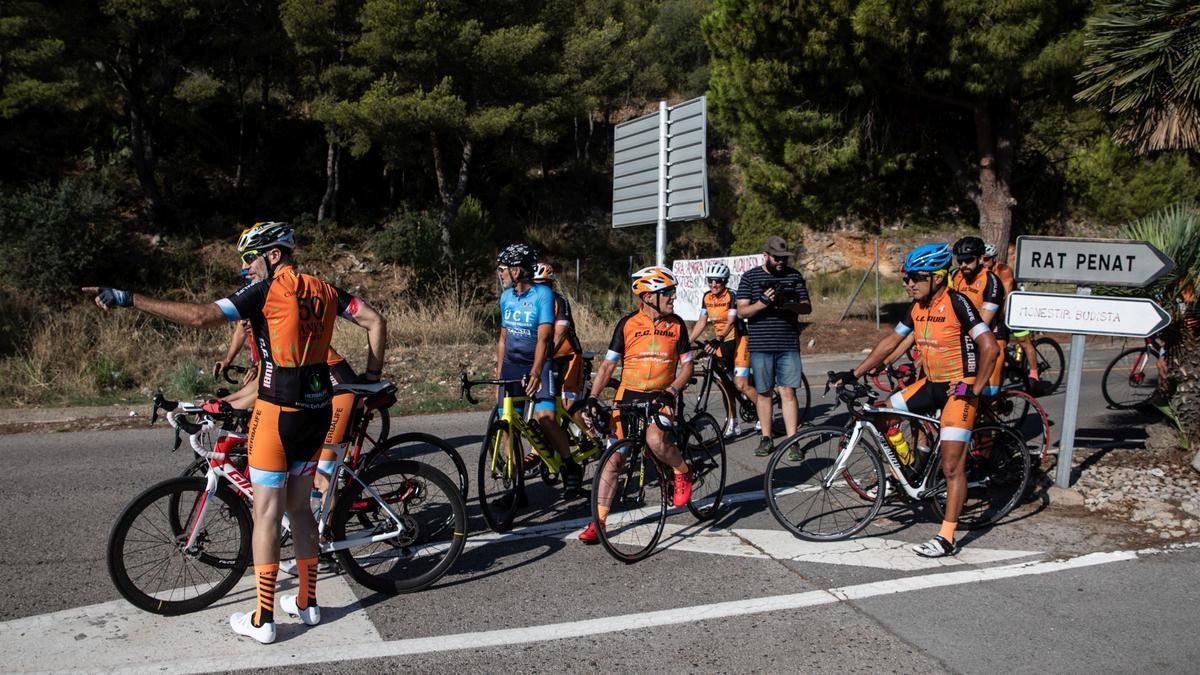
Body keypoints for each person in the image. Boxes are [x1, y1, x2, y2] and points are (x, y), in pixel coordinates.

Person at [84, 221, 387, 644]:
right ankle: (307, 602)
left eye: (249, 258)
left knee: (265, 513)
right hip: (316, 410)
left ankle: (264, 619)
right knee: (300, 509)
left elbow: (200, 316)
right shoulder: (325, 289)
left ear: (274, 254)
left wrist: (128, 298)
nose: (245, 267)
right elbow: (374, 320)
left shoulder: (266, 291)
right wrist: (371, 379)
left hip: (278, 412)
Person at [830, 244, 999, 558]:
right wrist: (854, 373)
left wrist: (973, 388)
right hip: (930, 384)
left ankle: (946, 537)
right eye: (906, 278)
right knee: (880, 414)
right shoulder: (917, 307)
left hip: (957, 392)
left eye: (915, 278)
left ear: (936, 278)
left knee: (952, 467)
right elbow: (891, 342)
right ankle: (907, 471)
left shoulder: (957, 302)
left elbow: (990, 347)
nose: (908, 283)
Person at [580, 266, 694, 543]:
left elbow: (688, 367)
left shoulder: (677, 325)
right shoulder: (627, 324)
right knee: (613, 458)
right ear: (648, 296)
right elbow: (608, 366)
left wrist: (673, 390)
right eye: (667, 292)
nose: (673, 297)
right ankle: (600, 521)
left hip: (661, 395)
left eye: (672, 291)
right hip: (628, 395)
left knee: (655, 440)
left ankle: (683, 471)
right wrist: (593, 399)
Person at [495, 245, 583, 503]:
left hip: (538, 363)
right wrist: (500, 375)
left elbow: (545, 338)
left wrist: (535, 371)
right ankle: (517, 489)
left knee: (545, 417)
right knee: (509, 425)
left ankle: (569, 465)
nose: (499, 274)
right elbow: (503, 338)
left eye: (502, 269)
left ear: (517, 270)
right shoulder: (506, 298)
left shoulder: (543, 295)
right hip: (512, 364)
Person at [736, 236, 812, 457]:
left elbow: (807, 307)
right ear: (765, 255)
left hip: (788, 343)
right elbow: (742, 311)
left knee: (788, 391)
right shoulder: (750, 277)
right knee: (764, 392)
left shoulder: (794, 275)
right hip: (761, 344)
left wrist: (788, 303)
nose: (780, 262)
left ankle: (793, 441)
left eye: (784, 258)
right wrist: (762, 303)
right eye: (776, 258)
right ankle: (766, 438)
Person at [689, 262, 757, 437]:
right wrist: (688, 340)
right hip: (721, 343)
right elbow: (702, 322)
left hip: (739, 339)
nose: (713, 285)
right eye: (710, 281)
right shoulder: (707, 297)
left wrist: (718, 339)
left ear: (724, 281)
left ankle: (764, 415)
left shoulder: (731, 295)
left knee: (741, 384)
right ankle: (733, 423)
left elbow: (731, 321)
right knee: (726, 386)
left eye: (717, 281)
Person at [951, 236, 1006, 396]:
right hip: (963, 333)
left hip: (991, 333)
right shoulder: (956, 275)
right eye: (960, 261)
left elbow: (984, 321)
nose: (963, 265)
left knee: (989, 391)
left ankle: (992, 415)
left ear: (981, 258)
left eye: (968, 261)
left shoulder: (991, 281)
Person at [982, 242, 1038, 383]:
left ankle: (1034, 373)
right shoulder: (980, 272)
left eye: (987, 258)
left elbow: (1006, 295)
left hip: (1013, 310)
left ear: (994, 258)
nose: (983, 261)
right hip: (997, 312)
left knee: (1023, 341)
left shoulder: (1003, 270)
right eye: (981, 258)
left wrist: (999, 316)